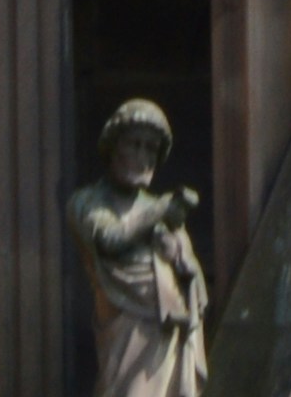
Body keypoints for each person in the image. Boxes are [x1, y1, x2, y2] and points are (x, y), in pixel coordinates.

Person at [70, 102, 211, 397]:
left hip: (167, 329)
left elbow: (194, 277)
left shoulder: (160, 209)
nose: (143, 157)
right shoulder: (89, 201)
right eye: (134, 145)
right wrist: (158, 212)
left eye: (151, 149)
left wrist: (179, 256)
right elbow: (109, 238)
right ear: (113, 147)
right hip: (124, 329)